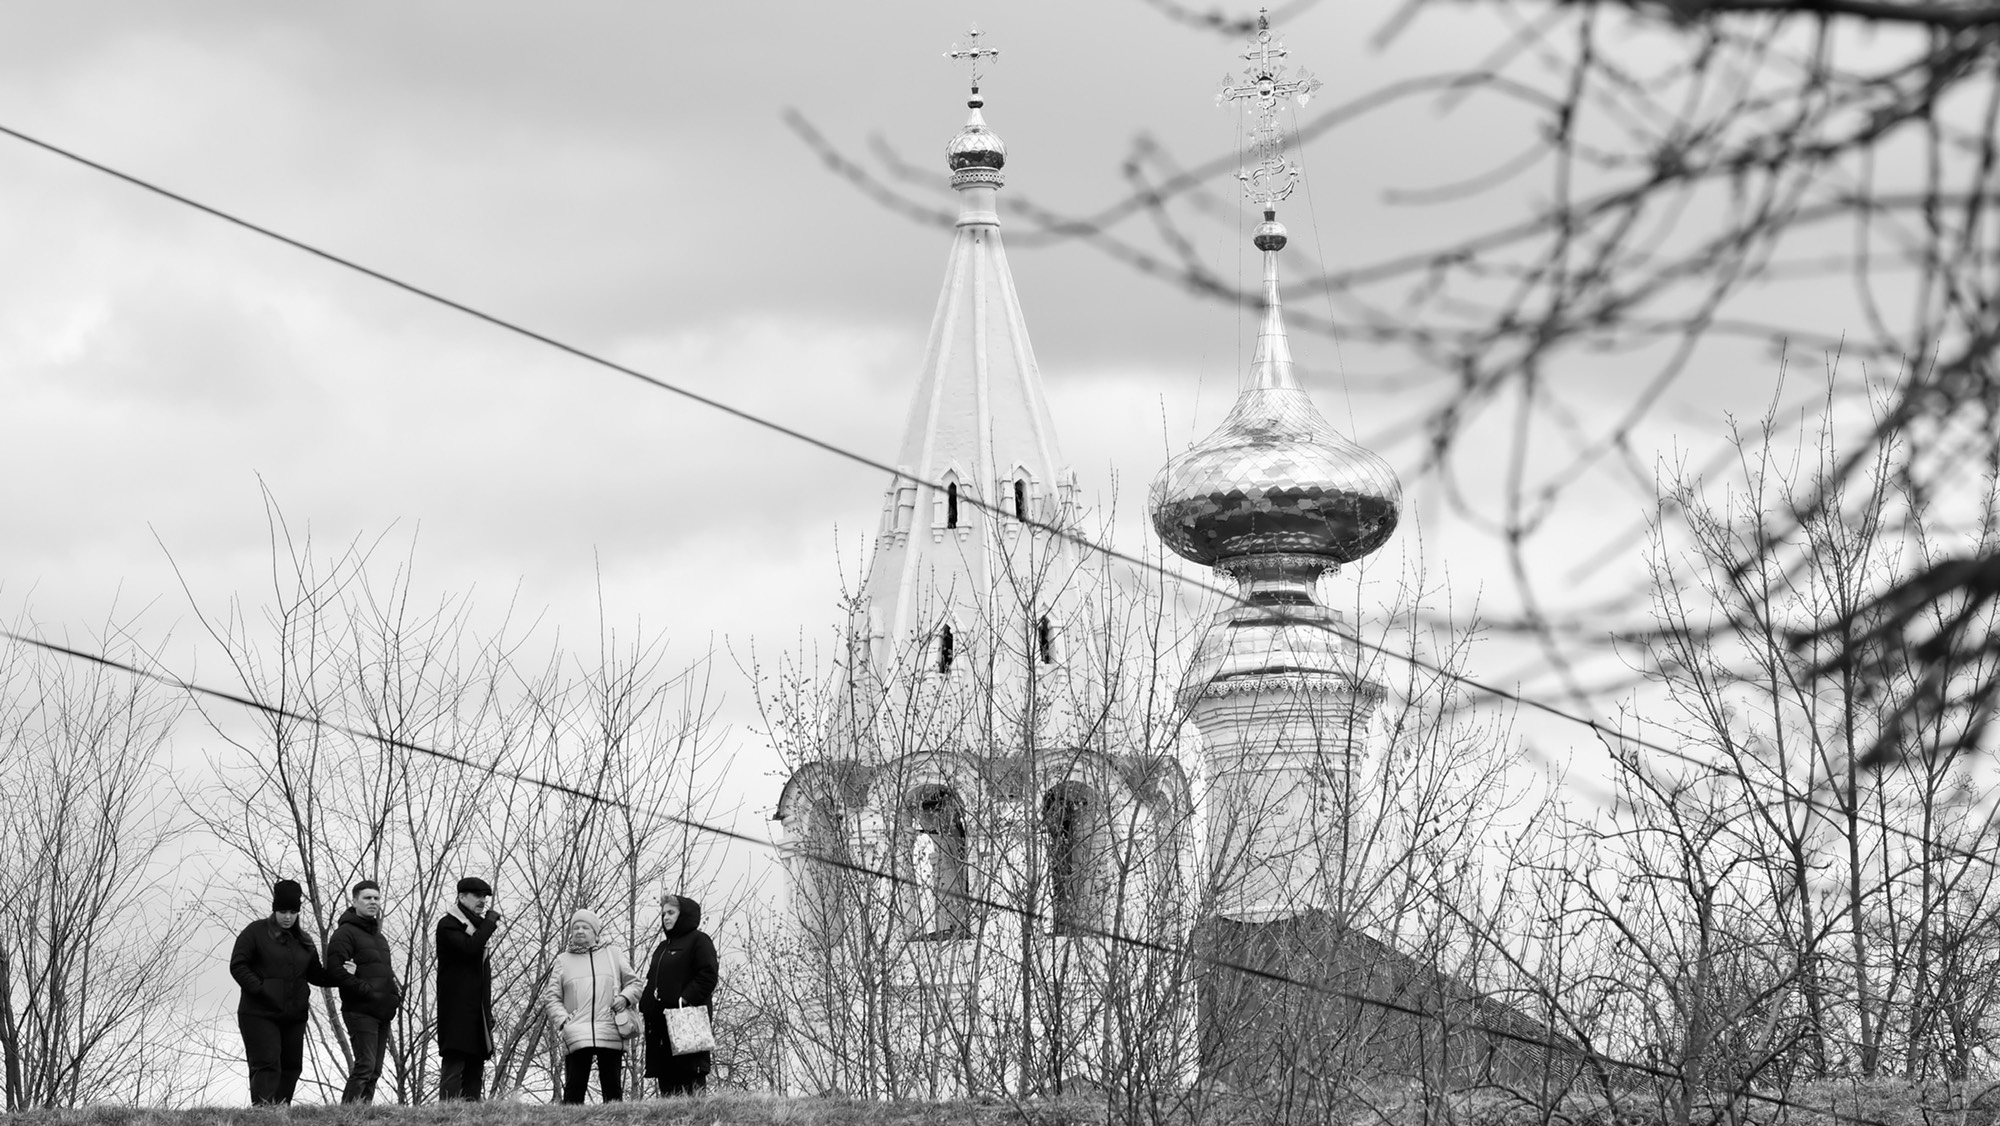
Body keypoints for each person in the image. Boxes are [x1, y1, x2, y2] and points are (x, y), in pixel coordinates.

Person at [228, 879, 356, 1105]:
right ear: (274, 910)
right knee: (267, 1063)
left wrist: (343, 974)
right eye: (283, 911)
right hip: (259, 1012)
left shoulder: (304, 941)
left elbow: (316, 975)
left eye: (293, 912)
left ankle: (281, 1110)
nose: (288, 917)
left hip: (294, 1015)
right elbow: (238, 965)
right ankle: (264, 1114)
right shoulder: (255, 932)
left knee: (292, 1065)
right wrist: (261, 988)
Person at [542, 907, 642, 1104]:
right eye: (576, 927)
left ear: (595, 932)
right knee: (573, 1089)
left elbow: (635, 983)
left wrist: (624, 998)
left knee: (612, 1089)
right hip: (577, 1031)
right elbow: (552, 998)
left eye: (585, 927)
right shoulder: (563, 960)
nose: (579, 931)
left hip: (611, 1028)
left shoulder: (613, 954)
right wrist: (564, 1022)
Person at [326, 879, 403, 1104]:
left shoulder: (379, 938)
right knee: (364, 1067)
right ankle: (347, 1115)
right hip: (359, 1010)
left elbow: (385, 973)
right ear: (355, 901)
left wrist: (393, 997)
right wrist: (366, 989)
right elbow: (336, 971)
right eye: (367, 898)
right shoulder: (345, 934)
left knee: (375, 1070)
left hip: (382, 1011)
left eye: (376, 898)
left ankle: (364, 1115)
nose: (373, 902)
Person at [640, 892, 719, 1097]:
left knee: (691, 1088)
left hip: (688, 1024)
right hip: (661, 1028)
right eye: (663, 913)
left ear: (683, 914)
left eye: (671, 912)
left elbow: (708, 975)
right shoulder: (661, 948)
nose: (666, 917)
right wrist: (646, 1004)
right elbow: (652, 981)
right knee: (667, 1089)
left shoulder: (699, 940)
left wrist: (684, 999)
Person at [436, 876, 501, 1101]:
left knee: (476, 1060)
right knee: (455, 1059)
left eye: (484, 896)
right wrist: (490, 923)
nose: (482, 900)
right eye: (477, 896)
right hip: (455, 1007)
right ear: (462, 897)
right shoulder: (448, 924)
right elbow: (469, 948)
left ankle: (472, 1112)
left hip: (477, 1008)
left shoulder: (477, 927)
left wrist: (487, 1011)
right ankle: (446, 1112)